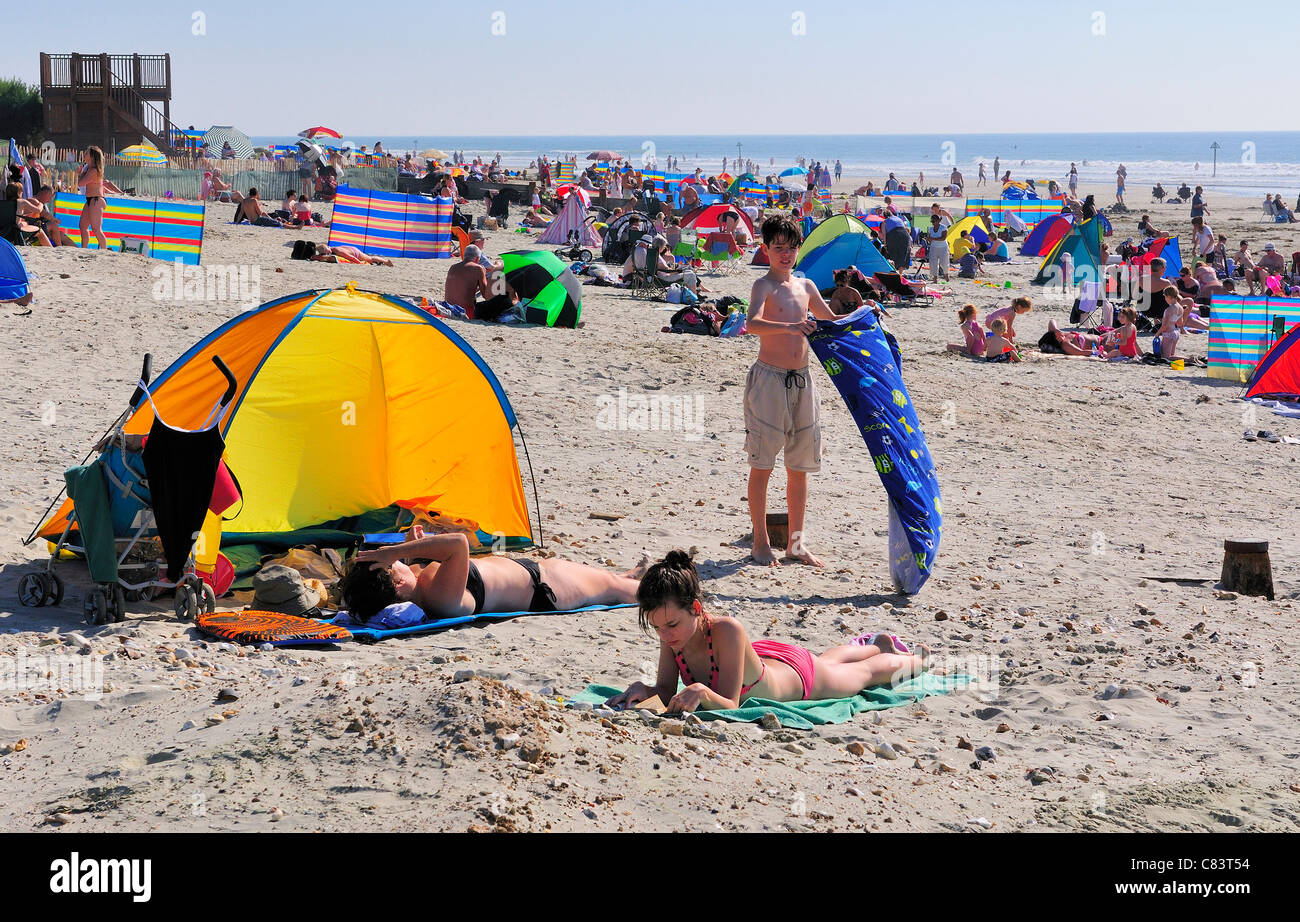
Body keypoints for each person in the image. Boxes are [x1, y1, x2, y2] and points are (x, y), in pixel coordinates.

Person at [605, 551, 929, 712]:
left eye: (671, 624)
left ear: (697, 609)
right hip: (770, 659)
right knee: (828, 661)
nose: (665, 634)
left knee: (863, 675)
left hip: (799, 679)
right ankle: (877, 643)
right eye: (658, 627)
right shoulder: (673, 635)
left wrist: (701, 692)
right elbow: (664, 689)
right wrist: (642, 689)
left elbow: (731, 704)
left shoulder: (727, 630)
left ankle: (917, 660)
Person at [742, 214, 838, 567]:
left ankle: (796, 544)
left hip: (803, 380)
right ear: (766, 249)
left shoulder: (807, 286)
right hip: (769, 380)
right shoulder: (763, 286)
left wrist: (864, 312)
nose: (785, 254)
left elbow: (831, 322)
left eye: (791, 247)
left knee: (799, 468)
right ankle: (760, 542)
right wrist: (791, 325)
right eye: (778, 248)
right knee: (763, 463)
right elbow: (750, 324)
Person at [341, 525, 645, 622]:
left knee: (611, 580)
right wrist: (393, 553)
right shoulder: (439, 599)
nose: (401, 562)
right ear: (398, 583)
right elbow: (458, 545)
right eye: (396, 566)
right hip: (546, 587)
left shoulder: (421, 586)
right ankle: (656, 586)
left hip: (531, 573)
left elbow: (436, 561)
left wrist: (409, 549)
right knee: (623, 591)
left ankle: (629, 574)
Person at [445, 245, 515, 319]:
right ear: (478, 258)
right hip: (466, 311)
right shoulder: (478, 268)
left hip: (448, 307)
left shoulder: (453, 267)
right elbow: (486, 295)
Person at [76, 146, 122, 250]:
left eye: (87, 153)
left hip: (97, 199)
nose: (84, 155)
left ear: (92, 156)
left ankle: (104, 250)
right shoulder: (88, 168)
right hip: (90, 199)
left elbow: (81, 183)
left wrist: (80, 173)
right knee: (83, 226)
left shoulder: (93, 170)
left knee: (96, 229)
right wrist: (81, 173)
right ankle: (84, 248)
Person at [311, 243, 393, 266]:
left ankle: (386, 262)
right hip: (350, 249)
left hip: (355, 253)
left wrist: (359, 263)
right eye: (325, 253)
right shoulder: (332, 249)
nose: (327, 254)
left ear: (329, 247)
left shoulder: (337, 250)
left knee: (370, 259)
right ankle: (383, 262)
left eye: (327, 251)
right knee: (370, 259)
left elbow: (351, 257)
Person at [926, 214, 950, 282]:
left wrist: (932, 238)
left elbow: (943, 238)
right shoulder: (930, 229)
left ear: (939, 221)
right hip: (933, 247)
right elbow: (929, 239)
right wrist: (928, 239)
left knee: (944, 263)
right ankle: (935, 278)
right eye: (932, 221)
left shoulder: (944, 227)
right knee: (933, 263)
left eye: (934, 221)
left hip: (943, 247)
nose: (933, 223)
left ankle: (946, 274)